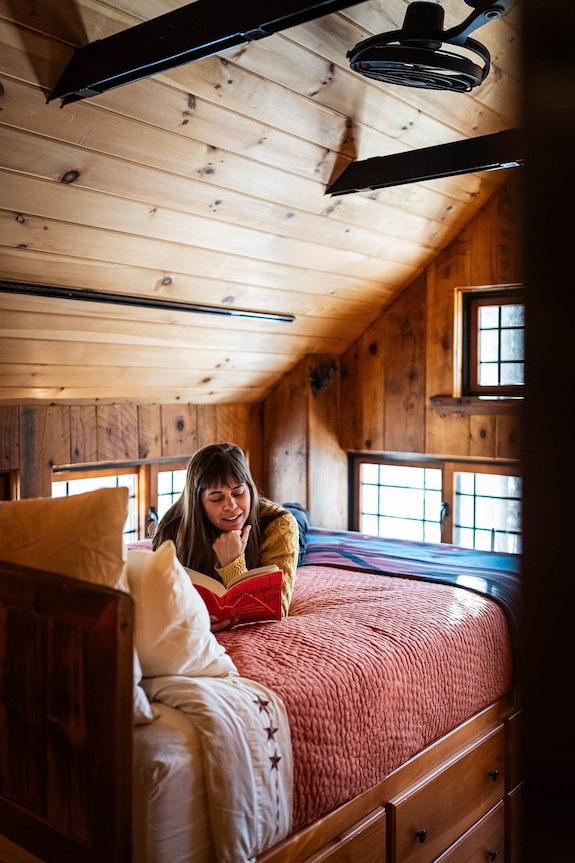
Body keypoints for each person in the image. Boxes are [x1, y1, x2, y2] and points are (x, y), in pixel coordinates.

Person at [152, 442, 299, 630]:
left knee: (298, 517)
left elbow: (277, 608)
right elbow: (160, 600)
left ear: (250, 489)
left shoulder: (278, 525)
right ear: (198, 502)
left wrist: (232, 563)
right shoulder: (172, 528)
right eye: (216, 498)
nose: (231, 505)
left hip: (273, 522)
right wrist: (196, 623)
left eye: (238, 493)